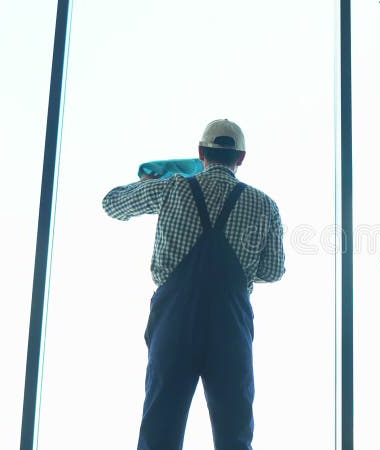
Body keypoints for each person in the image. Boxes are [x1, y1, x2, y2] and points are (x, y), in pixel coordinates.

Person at [102, 119, 285, 450]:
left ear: (200, 152)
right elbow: (273, 271)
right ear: (241, 158)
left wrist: (147, 181)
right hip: (230, 327)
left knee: (160, 429)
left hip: (174, 322)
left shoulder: (173, 187)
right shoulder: (265, 205)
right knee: (235, 435)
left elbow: (111, 204)